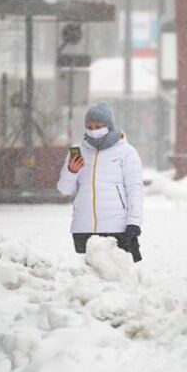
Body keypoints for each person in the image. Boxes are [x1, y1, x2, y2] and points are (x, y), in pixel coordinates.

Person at [57, 102, 144, 262]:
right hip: (83, 228)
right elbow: (64, 190)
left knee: (117, 278)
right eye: (89, 126)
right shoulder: (79, 151)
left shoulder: (126, 152)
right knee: (88, 280)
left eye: (98, 126)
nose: (93, 130)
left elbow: (135, 190)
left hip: (117, 228)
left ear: (109, 125)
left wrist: (134, 223)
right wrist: (71, 171)